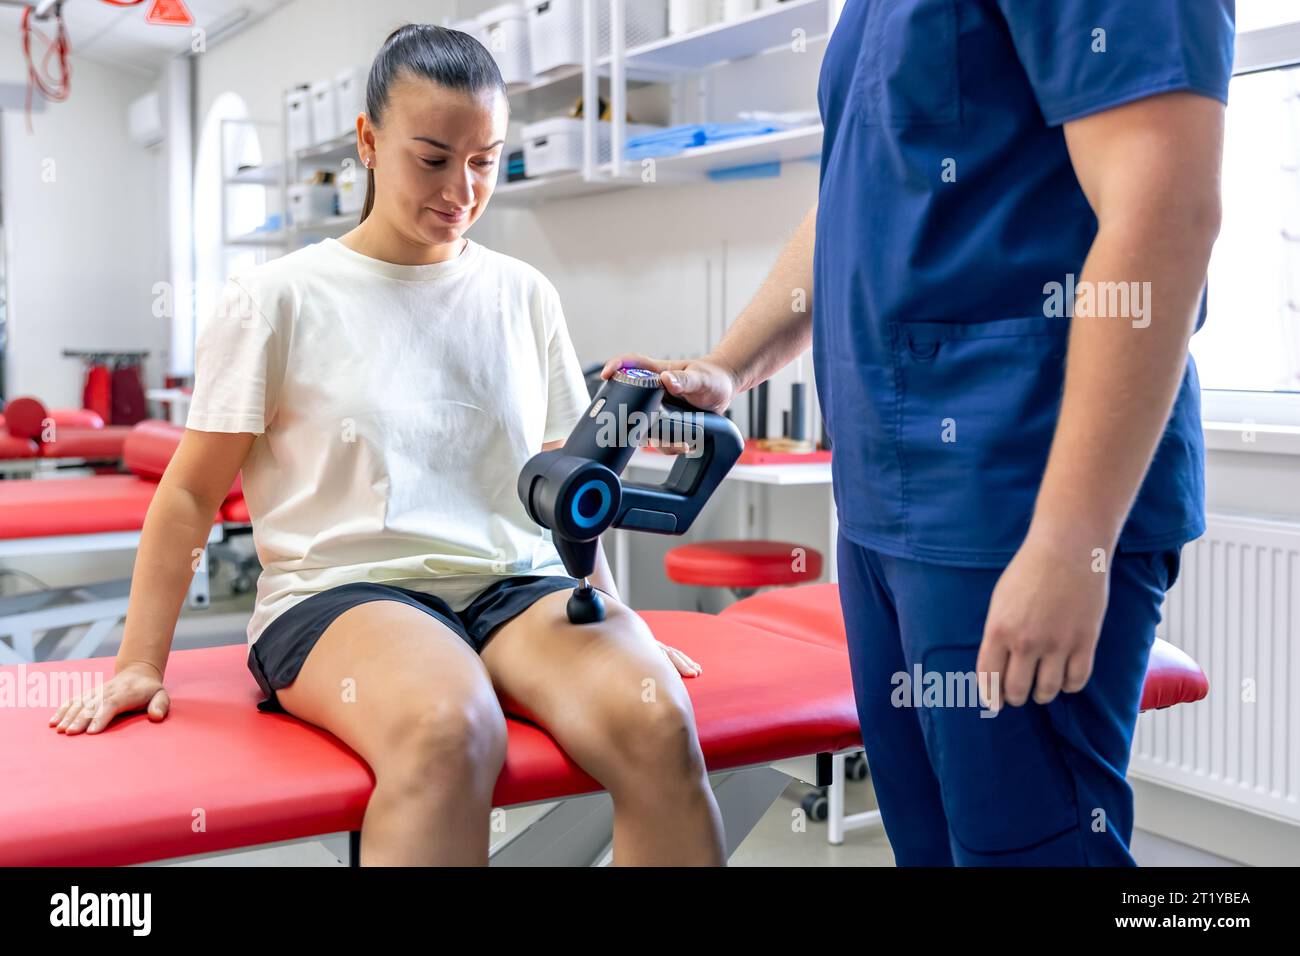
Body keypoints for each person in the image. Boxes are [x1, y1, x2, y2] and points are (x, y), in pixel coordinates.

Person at [49, 24, 725, 867]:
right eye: (434, 158)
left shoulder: (524, 294)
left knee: (655, 715)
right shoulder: (277, 299)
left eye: (485, 160)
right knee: (450, 724)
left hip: (517, 584)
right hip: (342, 595)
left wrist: (619, 621)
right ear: (367, 142)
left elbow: (566, 486)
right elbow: (188, 496)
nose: (463, 188)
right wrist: (139, 662)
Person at [605, 0, 1235, 865]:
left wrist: (1069, 540)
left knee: (1028, 848)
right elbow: (851, 202)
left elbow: (1164, 215)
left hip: (1013, 490)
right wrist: (730, 366)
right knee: (930, 845)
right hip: (884, 498)